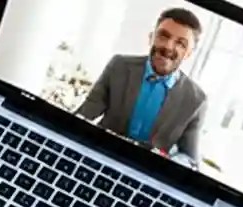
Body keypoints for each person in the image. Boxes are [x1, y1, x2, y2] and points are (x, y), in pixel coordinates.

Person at [76, 8, 208, 164]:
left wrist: (170, 160)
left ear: (188, 53)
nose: (168, 46)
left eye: (180, 43)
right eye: (163, 36)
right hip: (101, 155)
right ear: (151, 37)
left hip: (148, 171)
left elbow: (189, 158)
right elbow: (84, 115)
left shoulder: (197, 100)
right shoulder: (119, 65)